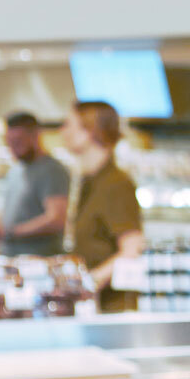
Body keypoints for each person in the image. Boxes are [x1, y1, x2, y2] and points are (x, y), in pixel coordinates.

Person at [59, 100, 143, 312]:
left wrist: (90, 281)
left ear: (89, 131)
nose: (63, 131)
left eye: (69, 124)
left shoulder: (116, 183)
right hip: (94, 308)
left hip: (112, 310)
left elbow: (132, 249)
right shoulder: (90, 181)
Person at [0, 111, 70, 256]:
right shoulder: (16, 169)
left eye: (18, 142)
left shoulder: (52, 170)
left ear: (35, 136)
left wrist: (11, 231)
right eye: (10, 142)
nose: (13, 149)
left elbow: (56, 219)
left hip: (38, 260)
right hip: (12, 256)